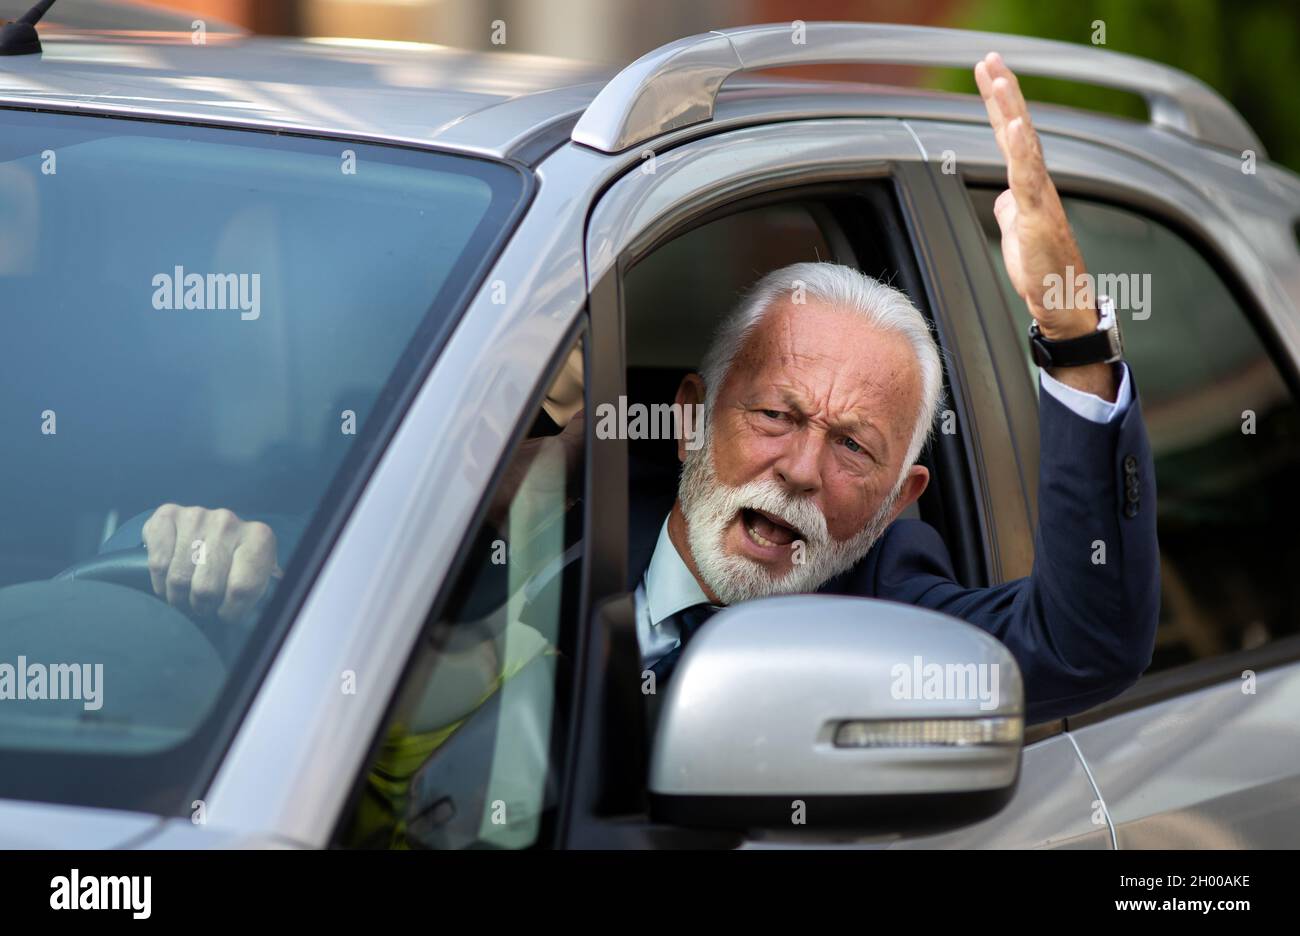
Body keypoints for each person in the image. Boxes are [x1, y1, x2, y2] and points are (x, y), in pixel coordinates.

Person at [123, 53, 1159, 724]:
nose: (799, 470)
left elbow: (1083, 645)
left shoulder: (883, 610)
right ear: (686, 420)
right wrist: (238, 593)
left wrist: (1071, 329)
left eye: (853, 448)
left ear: (897, 503)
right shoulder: (542, 526)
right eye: (774, 416)